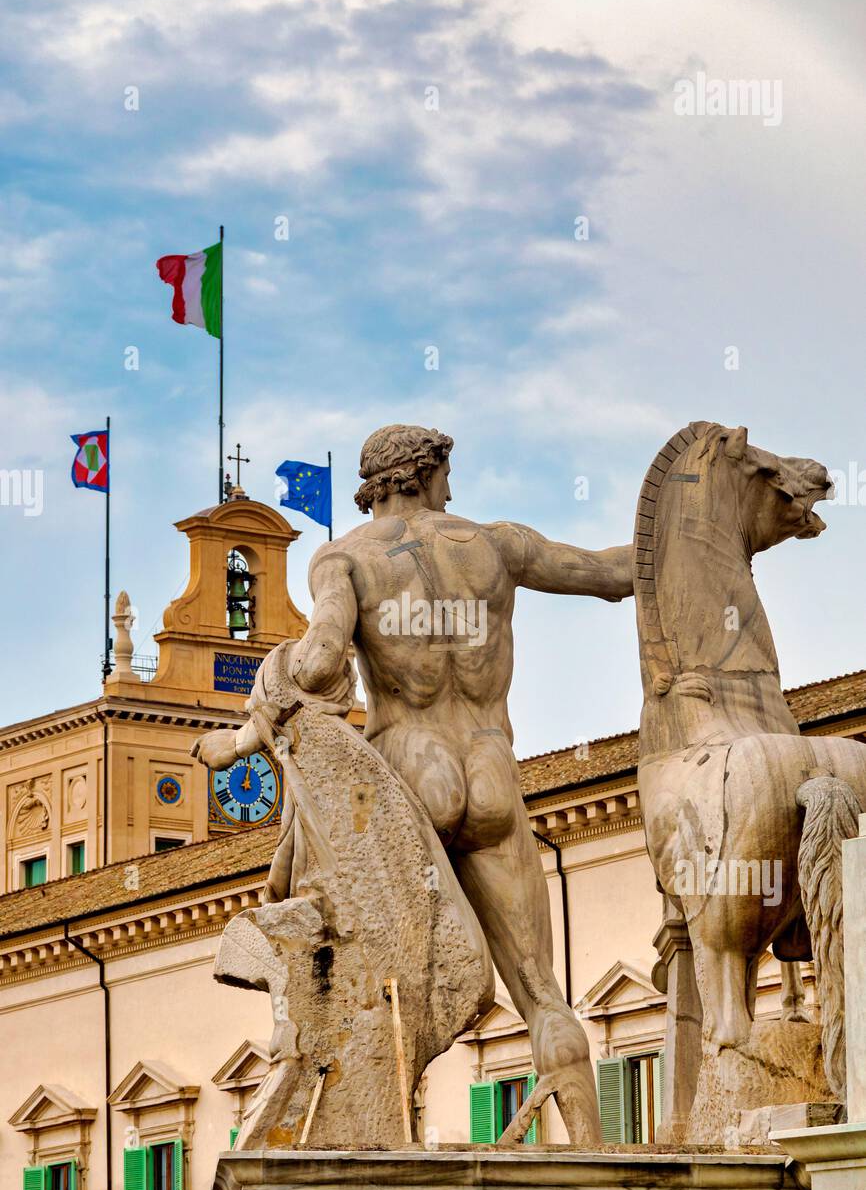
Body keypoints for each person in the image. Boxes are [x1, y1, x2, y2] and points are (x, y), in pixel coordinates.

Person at [198, 425, 633, 1143]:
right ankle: (595, 1158)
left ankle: (369, 1130)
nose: (452, 490)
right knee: (541, 992)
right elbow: (609, 574)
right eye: (446, 474)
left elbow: (317, 663)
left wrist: (244, 734)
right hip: (492, 770)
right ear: (425, 474)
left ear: (377, 484)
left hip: (409, 773)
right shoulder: (499, 543)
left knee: (374, 975)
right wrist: (706, 543)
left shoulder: (345, 560)